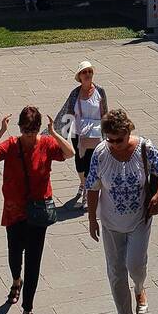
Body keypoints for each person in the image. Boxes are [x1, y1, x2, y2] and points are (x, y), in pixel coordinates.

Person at [0, 105, 73, 314]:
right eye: (26, 130)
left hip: (38, 212)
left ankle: (28, 308)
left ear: (39, 128)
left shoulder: (47, 144)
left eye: (33, 130)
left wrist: (53, 132)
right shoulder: (12, 145)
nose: (30, 134)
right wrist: (1, 131)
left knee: (33, 261)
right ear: (20, 128)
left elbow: (70, 153)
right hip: (14, 211)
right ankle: (15, 281)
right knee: (14, 254)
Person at [85, 109, 158, 314]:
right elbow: (92, 187)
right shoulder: (101, 153)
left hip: (139, 219)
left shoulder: (145, 148)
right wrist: (92, 219)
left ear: (129, 131)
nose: (115, 144)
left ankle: (139, 288)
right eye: (110, 139)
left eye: (119, 139)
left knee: (135, 265)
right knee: (116, 273)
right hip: (111, 223)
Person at [55, 60, 108, 207]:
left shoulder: (100, 91)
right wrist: (61, 136)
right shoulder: (75, 93)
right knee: (80, 164)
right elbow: (68, 113)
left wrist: (108, 133)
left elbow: (105, 112)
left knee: (92, 164)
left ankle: (88, 190)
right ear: (79, 76)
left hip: (95, 134)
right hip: (78, 134)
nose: (88, 74)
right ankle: (83, 183)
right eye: (84, 72)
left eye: (90, 71)